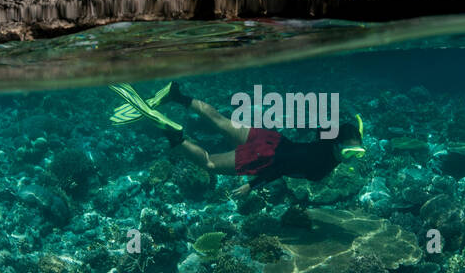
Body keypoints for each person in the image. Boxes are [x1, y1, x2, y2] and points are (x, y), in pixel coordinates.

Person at [110, 82, 365, 195]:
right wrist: (252, 186)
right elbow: (282, 167)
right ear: (339, 145)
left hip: (272, 139)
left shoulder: (327, 138)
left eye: (356, 155)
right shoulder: (321, 167)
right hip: (265, 158)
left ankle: (176, 96)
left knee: (221, 121)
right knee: (208, 163)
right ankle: (173, 133)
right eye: (350, 152)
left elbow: (333, 127)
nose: (350, 158)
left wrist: (355, 133)